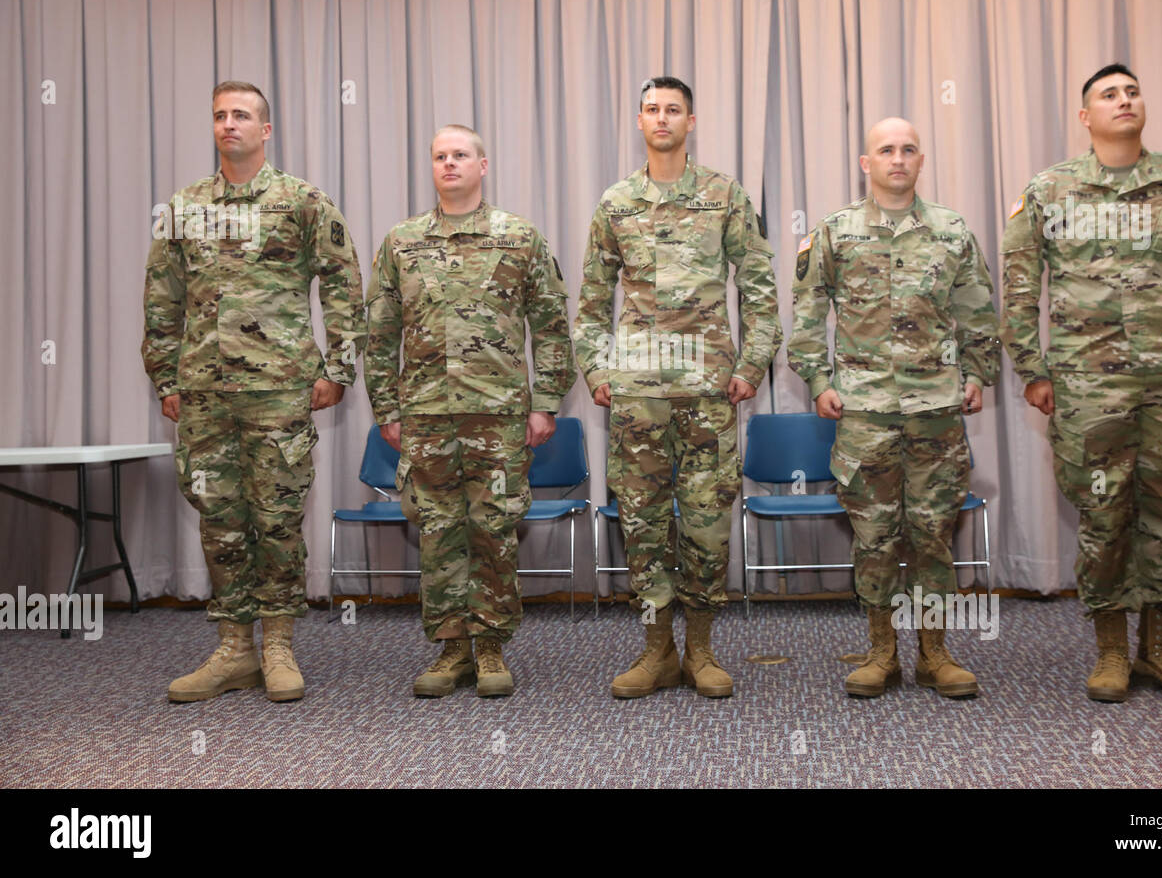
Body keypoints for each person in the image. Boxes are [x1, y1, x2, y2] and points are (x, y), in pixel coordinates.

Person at [1000, 63, 1162, 702]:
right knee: (1104, 512)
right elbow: (1021, 287)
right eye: (1109, 94)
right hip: (1088, 384)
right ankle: (1111, 650)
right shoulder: (1051, 190)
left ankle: (1160, 650)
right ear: (1086, 117)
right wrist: (1033, 369)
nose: (1124, 100)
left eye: (1132, 91)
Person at [142, 80, 365, 703]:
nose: (229, 124)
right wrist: (167, 377)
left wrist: (337, 370)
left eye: (242, 115)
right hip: (204, 393)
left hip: (279, 390)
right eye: (219, 115)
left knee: (277, 518)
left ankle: (278, 645)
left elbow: (346, 286)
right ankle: (234, 649)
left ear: (266, 130)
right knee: (219, 520)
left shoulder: (302, 201)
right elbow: (161, 299)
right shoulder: (183, 207)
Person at [574, 76, 781, 698]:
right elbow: (588, 304)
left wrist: (751, 366)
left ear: (691, 121)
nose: (662, 119)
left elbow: (761, 292)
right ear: (639, 121)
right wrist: (597, 369)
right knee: (640, 525)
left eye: (673, 110)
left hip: (708, 392)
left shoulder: (724, 196)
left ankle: (702, 650)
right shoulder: (616, 204)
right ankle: (655, 649)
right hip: (637, 395)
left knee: (707, 523)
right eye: (651, 110)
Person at [789, 117, 1001, 698]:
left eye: (908, 149)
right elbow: (807, 313)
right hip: (864, 411)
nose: (898, 159)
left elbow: (978, 310)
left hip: (936, 408)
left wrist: (979, 373)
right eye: (886, 150)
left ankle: (936, 653)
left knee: (932, 534)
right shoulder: (835, 232)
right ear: (867, 163)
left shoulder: (952, 231)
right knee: (875, 537)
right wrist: (817, 378)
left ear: (921, 160)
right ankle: (881, 652)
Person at [365, 124, 574, 698]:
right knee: (437, 530)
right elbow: (379, 334)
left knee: (493, 529)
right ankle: (451, 645)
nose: (449, 164)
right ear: (430, 167)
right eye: (439, 156)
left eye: (460, 155)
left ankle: (491, 647)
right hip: (427, 412)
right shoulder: (401, 242)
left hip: (500, 412)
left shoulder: (519, 238)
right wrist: (387, 406)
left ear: (483, 165)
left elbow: (552, 326)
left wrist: (546, 401)